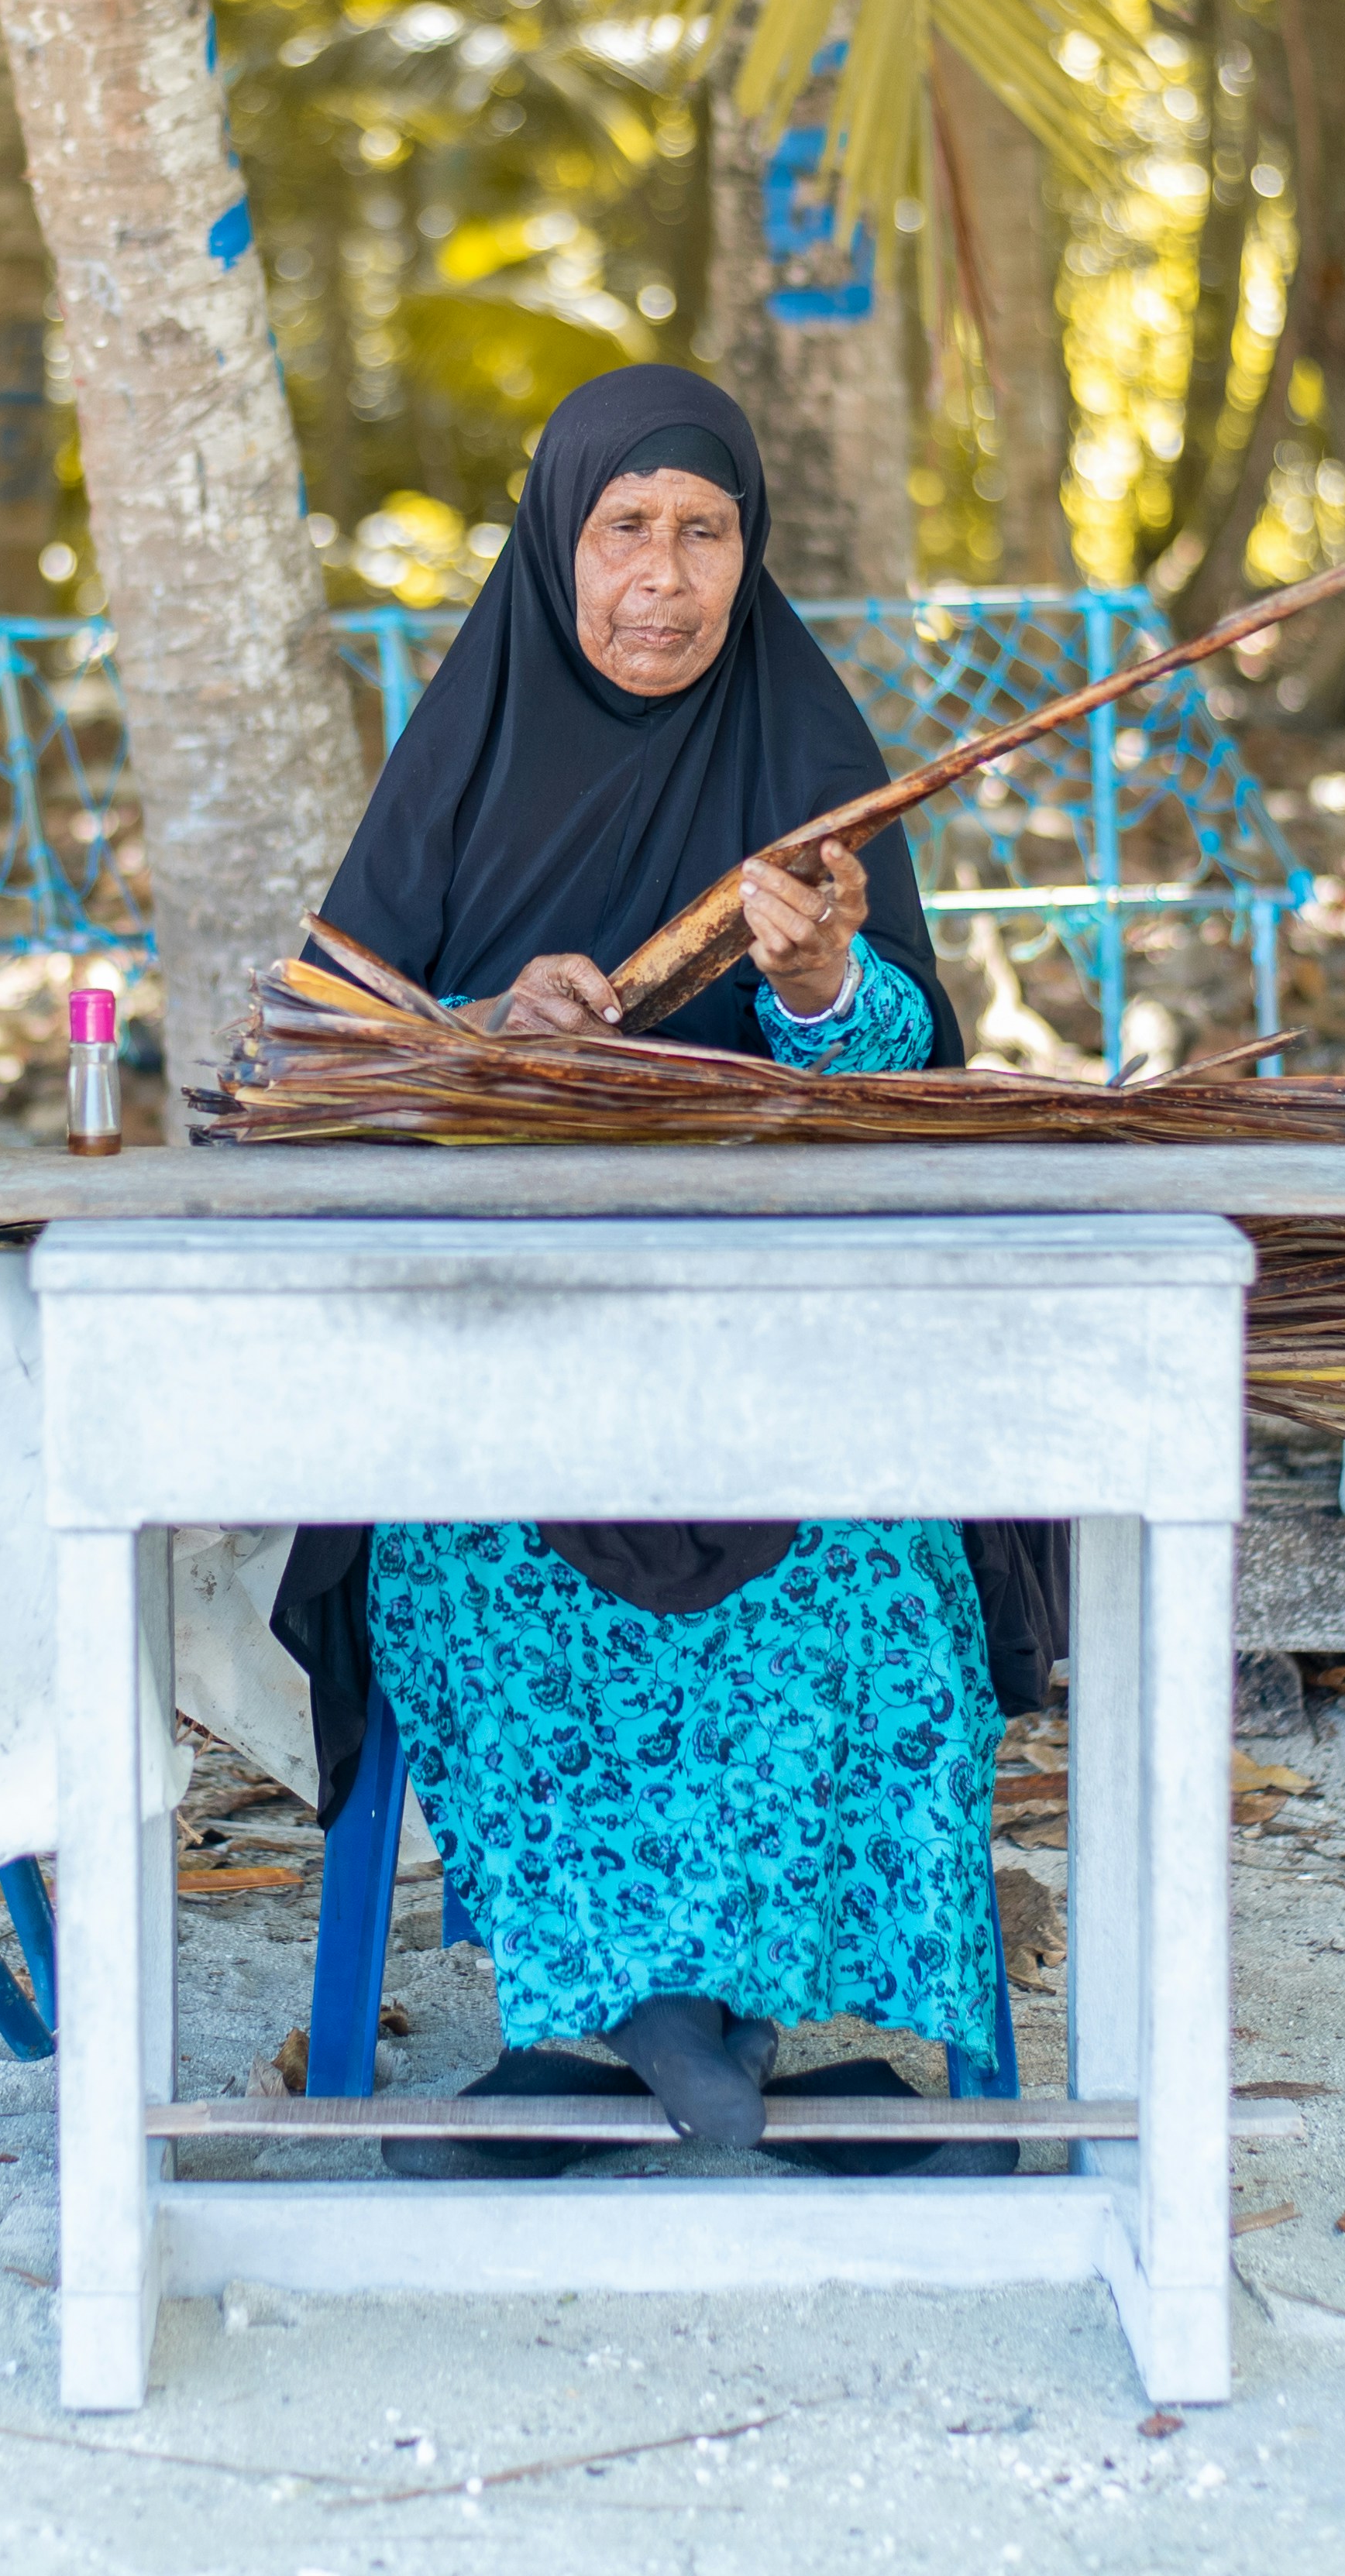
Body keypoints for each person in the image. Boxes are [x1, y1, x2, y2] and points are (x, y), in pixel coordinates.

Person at [272, 362, 1046, 2176]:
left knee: (869, 1556)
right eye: (628, 530)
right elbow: (317, 1065)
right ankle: (629, 2025)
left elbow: (914, 1100)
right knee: (467, 1548)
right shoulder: (463, 755)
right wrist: (489, 1028)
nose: (666, 578)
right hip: (511, 1344)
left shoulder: (806, 755)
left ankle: (692, 2034)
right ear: (561, 546)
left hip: (789, 1348)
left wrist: (811, 995)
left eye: (704, 534)